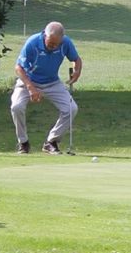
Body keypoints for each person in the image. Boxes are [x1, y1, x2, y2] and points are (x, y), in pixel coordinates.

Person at [11, 21, 82, 155]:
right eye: (50, 43)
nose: (53, 47)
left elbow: (76, 59)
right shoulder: (32, 42)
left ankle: (51, 142)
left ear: (61, 39)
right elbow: (18, 67)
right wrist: (31, 88)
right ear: (45, 35)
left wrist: (77, 71)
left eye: (56, 44)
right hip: (28, 81)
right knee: (16, 107)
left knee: (71, 108)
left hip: (52, 83)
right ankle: (23, 143)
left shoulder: (66, 42)